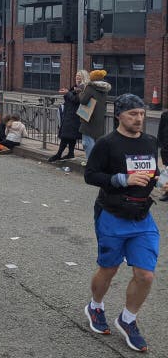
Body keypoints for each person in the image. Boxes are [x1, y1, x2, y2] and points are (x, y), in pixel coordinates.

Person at [83, 94, 162, 353]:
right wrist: (121, 179)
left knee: (146, 274)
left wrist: (160, 184)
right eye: (133, 114)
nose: (139, 119)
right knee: (109, 269)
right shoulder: (107, 144)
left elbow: (152, 173)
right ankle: (95, 306)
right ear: (119, 115)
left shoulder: (150, 142)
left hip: (142, 216)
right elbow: (90, 175)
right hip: (112, 215)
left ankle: (127, 319)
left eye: (141, 114)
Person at [50, 70, 89, 162]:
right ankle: (70, 153)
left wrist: (67, 93)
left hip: (74, 115)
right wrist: (66, 93)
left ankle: (59, 154)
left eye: (79, 76)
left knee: (66, 135)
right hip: (70, 113)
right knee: (71, 136)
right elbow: (71, 97)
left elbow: (76, 100)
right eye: (76, 75)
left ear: (84, 77)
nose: (77, 77)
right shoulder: (76, 87)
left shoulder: (83, 88)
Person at [79, 69, 111, 159]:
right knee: (96, 141)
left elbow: (83, 101)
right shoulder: (104, 89)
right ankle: (96, 162)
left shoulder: (90, 87)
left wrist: (80, 93)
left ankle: (91, 164)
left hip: (88, 117)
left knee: (87, 143)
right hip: (99, 118)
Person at [159, 109, 168, 201]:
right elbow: (161, 131)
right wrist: (162, 145)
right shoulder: (165, 114)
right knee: (167, 171)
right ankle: (167, 192)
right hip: (167, 148)